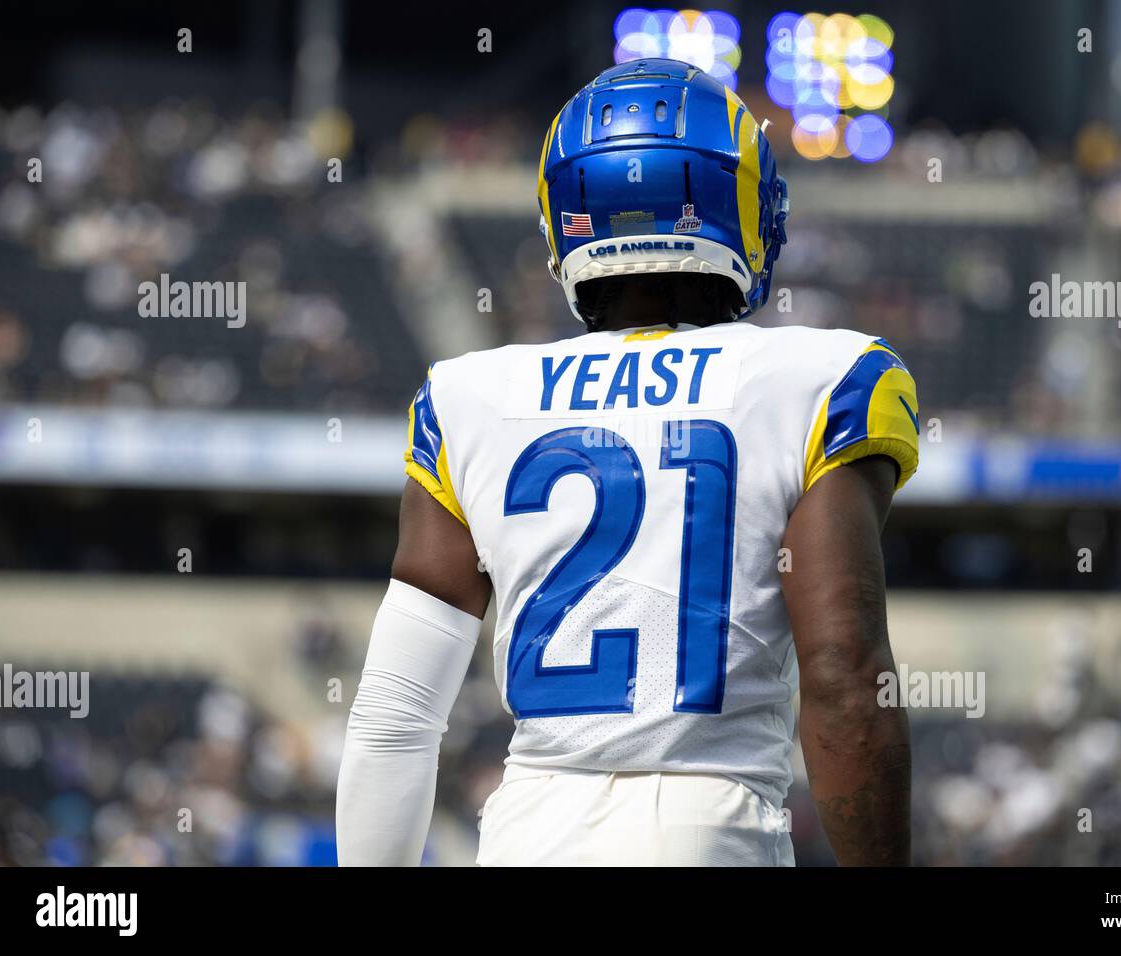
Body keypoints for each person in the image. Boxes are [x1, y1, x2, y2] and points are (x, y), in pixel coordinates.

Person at [336, 58, 919, 866]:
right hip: (709, 824)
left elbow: (396, 713)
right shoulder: (821, 380)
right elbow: (845, 676)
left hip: (525, 833)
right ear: (741, 208)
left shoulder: (468, 396)